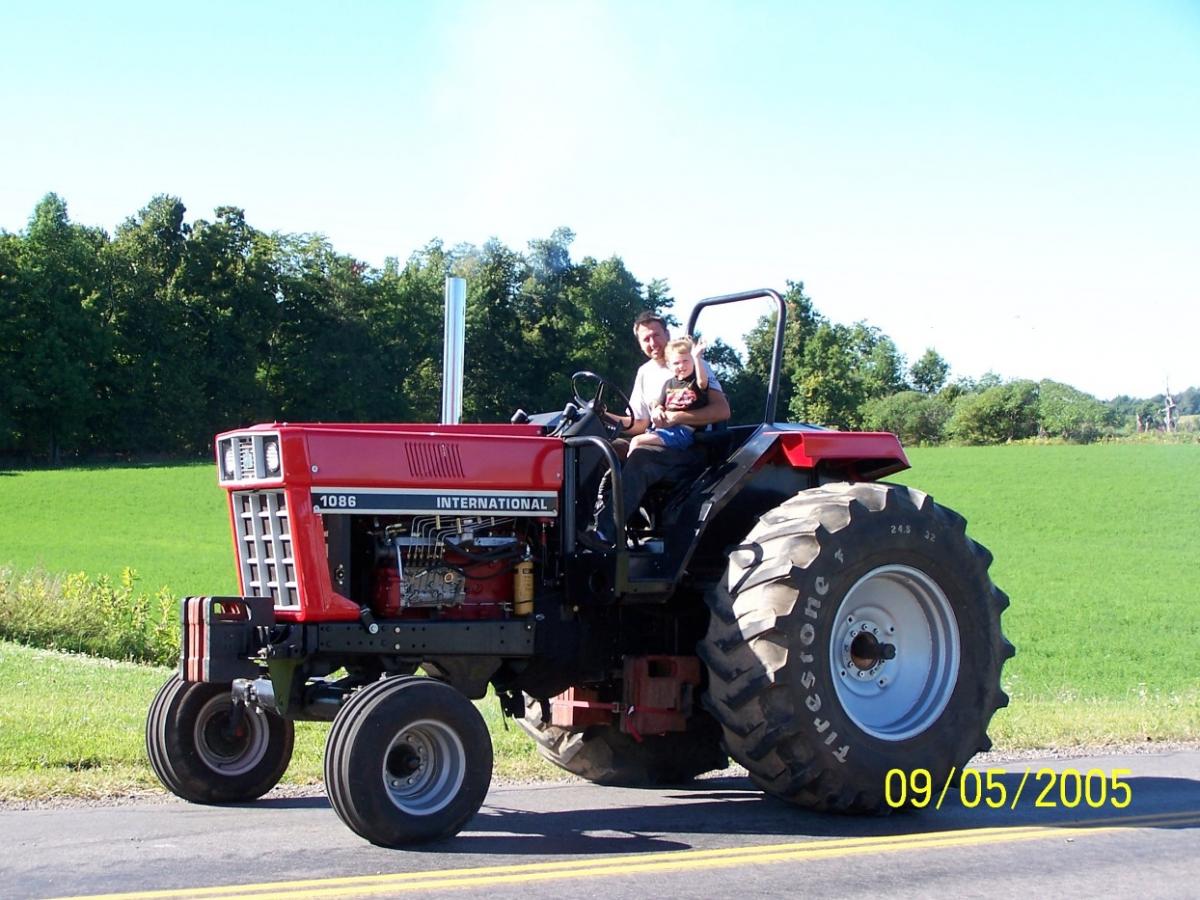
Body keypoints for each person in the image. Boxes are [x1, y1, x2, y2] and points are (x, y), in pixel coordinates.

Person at [582, 313, 730, 551]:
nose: (652, 343)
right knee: (597, 449)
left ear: (667, 334)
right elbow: (639, 423)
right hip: (656, 438)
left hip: (691, 446)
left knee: (641, 457)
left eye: (656, 335)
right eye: (646, 339)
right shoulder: (645, 372)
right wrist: (603, 414)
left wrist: (676, 417)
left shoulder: (690, 365)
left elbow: (722, 411)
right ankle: (578, 527)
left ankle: (605, 534)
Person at [629, 336, 710, 452]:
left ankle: (628, 464)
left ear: (693, 361)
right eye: (676, 363)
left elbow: (703, 383)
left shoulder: (696, 381)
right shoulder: (669, 384)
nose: (681, 366)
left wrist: (697, 358)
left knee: (637, 441)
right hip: (663, 430)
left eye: (685, 361)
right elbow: (659, 404)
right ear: (669, 365)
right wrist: (657, 411)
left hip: (683, 432)